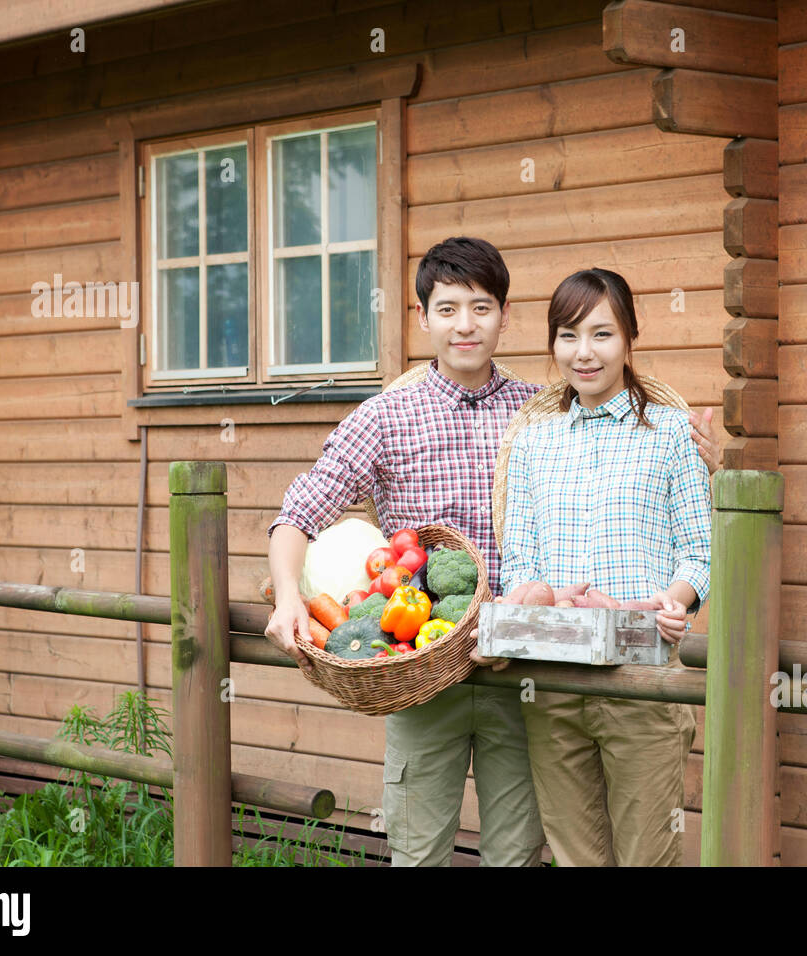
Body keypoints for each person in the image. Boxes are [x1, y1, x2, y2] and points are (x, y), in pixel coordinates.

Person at [264, 237, 719, 867]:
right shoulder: (387, 416)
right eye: (447, 309)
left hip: (525, 674)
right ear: (423, 318)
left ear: (505, 316)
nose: (465, 325)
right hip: (424, 675)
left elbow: (682, 509)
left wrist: (711, 461)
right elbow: (299, 513)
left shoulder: (540, 411)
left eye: (481, 307)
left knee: (522, 855)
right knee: (419, 852)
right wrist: (289, 597)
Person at [489, 267, 711, 867]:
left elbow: (699, 549)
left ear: (630, 338)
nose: (583, 353)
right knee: (574, 855)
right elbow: (522, 558)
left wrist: (677, 600)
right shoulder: (534, 441)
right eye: (567, 335)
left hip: (643, 675)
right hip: (552, 675)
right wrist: (548, 597)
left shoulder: (671, 434)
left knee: (647, 854)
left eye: (601, 334)